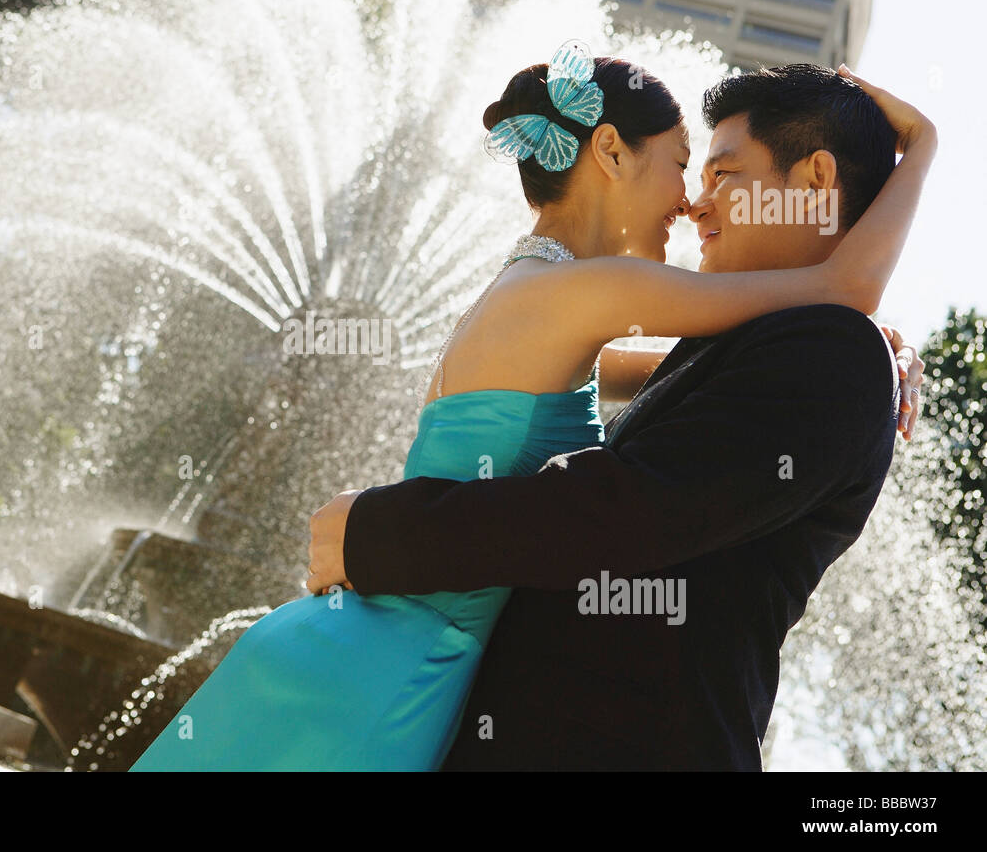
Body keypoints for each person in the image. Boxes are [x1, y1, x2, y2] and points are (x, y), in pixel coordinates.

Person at [134, 47, 933, 771]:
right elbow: (823, 301)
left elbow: (620, 514)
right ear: (609, 152)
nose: (693, 203)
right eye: (687, 169)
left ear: (818, 181)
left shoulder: (815, 352)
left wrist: (379, 532)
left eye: (720, 173)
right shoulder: (676, 317)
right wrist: (854, 317)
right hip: (434, 669)